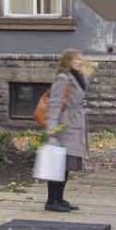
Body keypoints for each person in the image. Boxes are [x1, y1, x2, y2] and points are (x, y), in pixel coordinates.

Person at [35, 49, 94, 212]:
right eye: (75, 60)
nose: (79, 62)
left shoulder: (78, 76)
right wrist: (51, 129)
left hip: (74, 123)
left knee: (66, 164)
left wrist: (86, 71)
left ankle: (59, 198)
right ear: (67, 61)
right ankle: (51, 200)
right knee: (58, 164)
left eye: (80, 59)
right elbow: (54, 103)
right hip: (64, 124)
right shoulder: (63, 78)